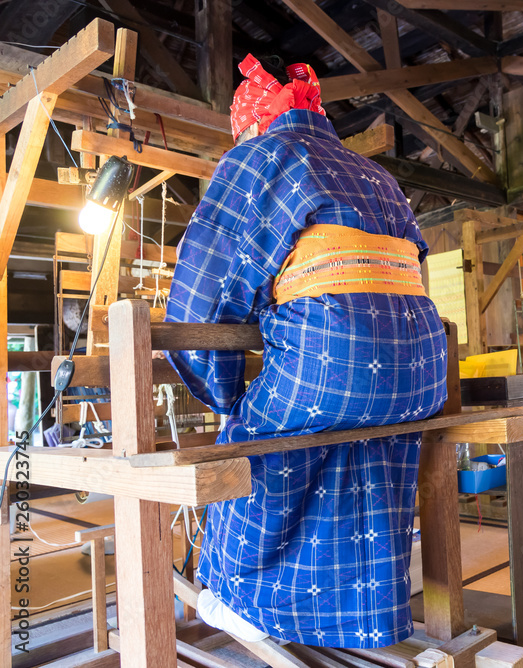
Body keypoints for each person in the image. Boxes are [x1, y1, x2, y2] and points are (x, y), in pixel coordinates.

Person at [165, 54, 447, 648]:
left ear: (250, 125)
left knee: (249, 450)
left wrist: (225, 393)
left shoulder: (260, 158)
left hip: (335, 363)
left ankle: (235, 600)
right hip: (424, 370)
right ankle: (367, 616)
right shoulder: (375, 175)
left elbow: (202, 293)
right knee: (366, 450)